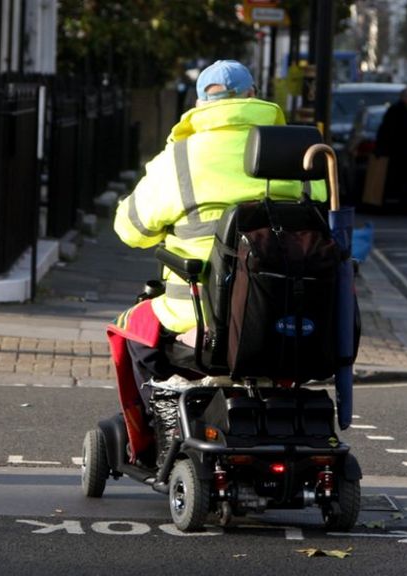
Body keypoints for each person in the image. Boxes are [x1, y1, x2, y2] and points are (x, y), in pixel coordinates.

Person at [106, 60, 327, 463]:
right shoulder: (298, 153)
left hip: (200, 317)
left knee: (133, 331)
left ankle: (159, 433)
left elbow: (130, 229)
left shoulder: (179, 158)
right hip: (288, 315)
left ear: (199, 103)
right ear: (253, 95)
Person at [373, 87, 407, 210]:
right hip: (396, 151)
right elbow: (386, 130)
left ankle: (404, 201)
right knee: (394, 178)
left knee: (404, 179)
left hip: (406, 152)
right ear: (403, 97)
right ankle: (394, 202)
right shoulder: (395, 111)